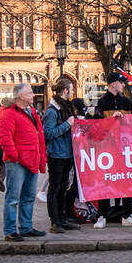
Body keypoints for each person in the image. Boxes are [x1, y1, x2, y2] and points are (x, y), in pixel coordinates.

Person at [0, 82, 48, 241]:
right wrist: (14, 156)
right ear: (21, 96)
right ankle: (10, 231)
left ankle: (26, 227)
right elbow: (4, 137)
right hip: (18, 163)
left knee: (28, 197)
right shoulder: (9, 113)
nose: (33, 95)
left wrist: (40, 157)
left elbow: (38, 135)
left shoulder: (31, 111)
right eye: (30, 92)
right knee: (13, 198)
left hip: (31, 160)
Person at [94, 72, 132, 227]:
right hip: (107, 149)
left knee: (127, 180)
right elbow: (95, 125)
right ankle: (102, 215)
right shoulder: (101, 103)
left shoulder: (127, 102)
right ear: (113, 84)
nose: (124, 85)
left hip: (125, 148)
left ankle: (127, 214)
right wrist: (110, 120)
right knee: (105, 181)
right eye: (122, 82)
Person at [42, 79, 81, 233]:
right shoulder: (52, 111)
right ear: (65, 91)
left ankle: (62, 217)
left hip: (67, 153)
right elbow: (48, 133)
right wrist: (67, 124)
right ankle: (55, 221)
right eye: (71, 89)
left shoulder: (66, 108)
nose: (73, 92)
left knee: (64, 186)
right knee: (55, 188)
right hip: (56, 154)